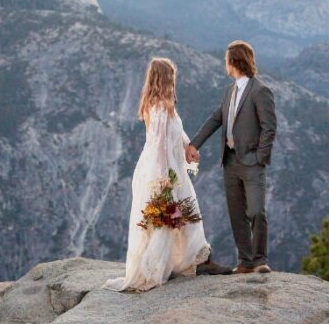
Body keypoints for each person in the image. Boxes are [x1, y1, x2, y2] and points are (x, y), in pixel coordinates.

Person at [103, 57, 211, 292]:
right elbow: (160, 144)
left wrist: (188, 148)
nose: (174, 82)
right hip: (163, 170)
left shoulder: (163, 104)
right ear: (165, 78)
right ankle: (160, 268)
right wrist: (164, 179)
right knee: (165, 220)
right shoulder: (160, 107)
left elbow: (177, 132)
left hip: (168, 168)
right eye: (172, 77)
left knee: (175, 217)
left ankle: (183, 262)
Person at [186, 40, 277, 274]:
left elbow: (269, 128)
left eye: (226, 60)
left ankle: (260, 260)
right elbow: (216, 119)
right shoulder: (230, 91)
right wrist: (194, 144)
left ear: (234, 61)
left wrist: (259, 157)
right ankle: (246, 262)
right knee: (237, 214)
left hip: (252, 163)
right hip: (230, 161)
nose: (224, 64)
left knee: (256, 211)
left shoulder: (260, 91)